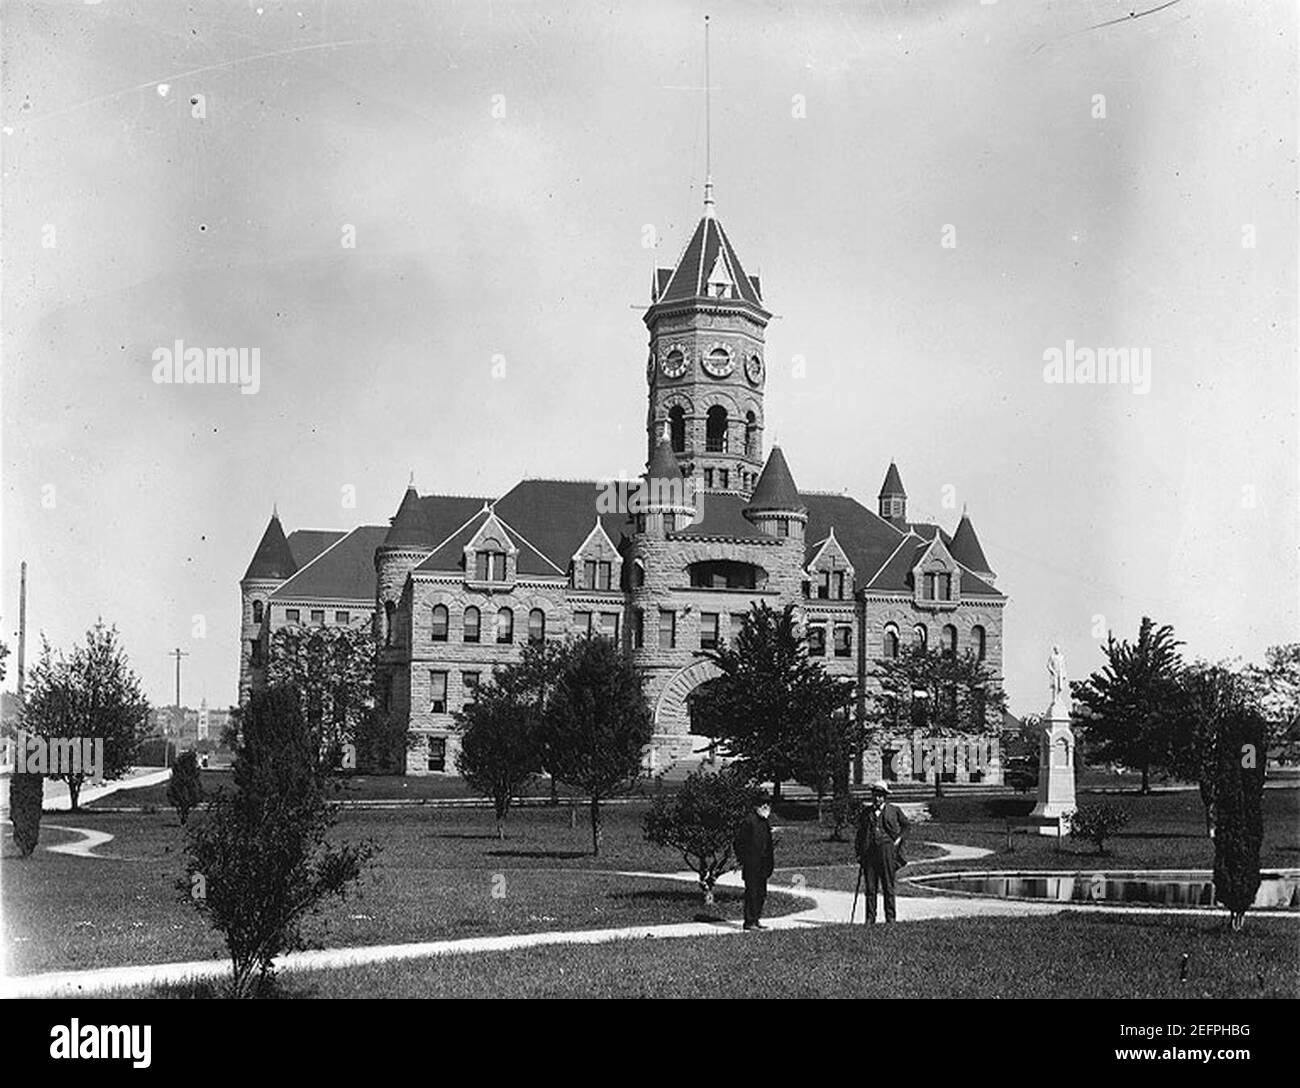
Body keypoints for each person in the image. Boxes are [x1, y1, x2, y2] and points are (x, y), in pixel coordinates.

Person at [855, 780, 909, 924]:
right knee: (870, 889)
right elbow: (860, 834)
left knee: (888, 887)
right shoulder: (866, 812)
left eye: (880, 796)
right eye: (875, 795)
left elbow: (906, 826)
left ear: (885, 797)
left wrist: (898, 840)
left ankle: (890, 918)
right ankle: (870, 918)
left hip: (887, 852)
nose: (877, 798)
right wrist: (859, 854)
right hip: (870, 854)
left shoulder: (894, 810)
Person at [734, 792, 775, 930]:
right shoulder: (749, 821)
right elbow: (739, 843)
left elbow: (769, 845)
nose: (766, 806)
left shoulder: (765, 822)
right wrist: (744, 859)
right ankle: (749, 921)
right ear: (757, 806)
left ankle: (756, 919)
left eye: (768, 804)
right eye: (763, 803)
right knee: (752, 892)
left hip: (763, 864)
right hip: (752, 864)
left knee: (761, 893)